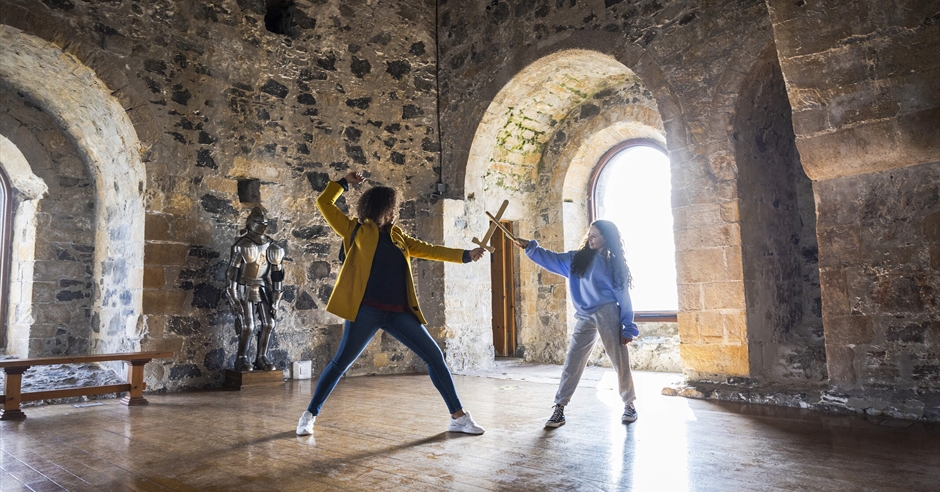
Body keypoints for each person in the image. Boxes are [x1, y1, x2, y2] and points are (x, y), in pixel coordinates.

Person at [296, 171, 487, 436]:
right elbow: (324, 203)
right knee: (340, 363)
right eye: (394, 208)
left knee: (434, 356)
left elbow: (431, 250)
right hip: (365, 311)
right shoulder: (354, 230)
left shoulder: (399, 239)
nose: (396, 212)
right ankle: (309, 415)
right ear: (385, 209)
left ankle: (458, 417)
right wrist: (343, 183)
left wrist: (466, 255)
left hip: (398, 314)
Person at [513, 220, 639, 427]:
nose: (590, 238)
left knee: (619, 360)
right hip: (584, 315)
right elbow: (551, 258)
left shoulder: (613, 265)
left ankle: (629, 404)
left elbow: (624, 298)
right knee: (573, 360)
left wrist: (628, 326)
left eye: (595, 235)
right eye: (589, 234)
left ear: (606, 239)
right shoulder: (575, 259)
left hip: (607, 311)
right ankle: (559, 408)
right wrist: (530, 247)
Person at [224, 206, 285, 372]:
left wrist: (276, 299)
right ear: (250, 222)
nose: (261, 226)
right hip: (245, 287)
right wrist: (233, 296)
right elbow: (232, 274)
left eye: (264, 223)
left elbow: (277, 276)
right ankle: (241, 358)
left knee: (269, 323)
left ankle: (261, 357)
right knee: (248, 325)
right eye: (258, 222)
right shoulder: (242, 245)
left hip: (263, 288)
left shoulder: (273, 247)